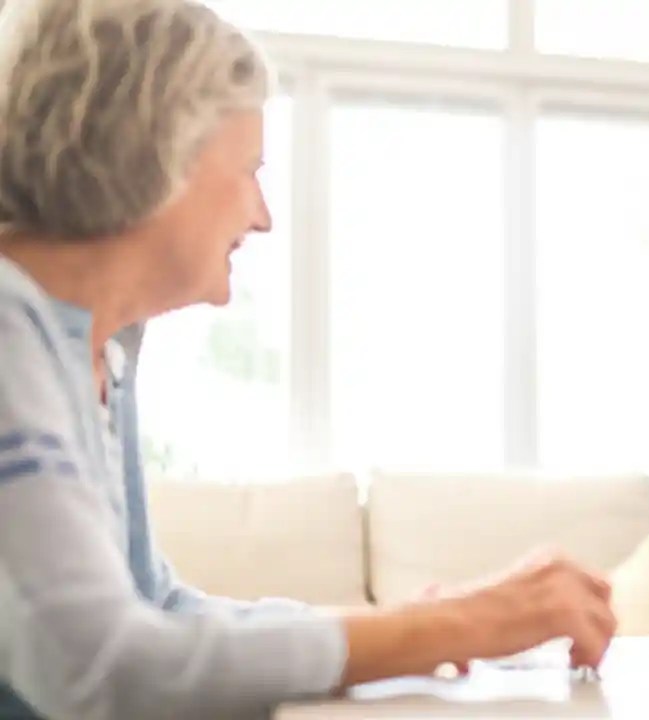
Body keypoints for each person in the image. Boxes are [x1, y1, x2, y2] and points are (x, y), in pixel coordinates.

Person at [0, 1, 614, 718]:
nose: (262, 215)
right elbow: (104, 669)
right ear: (152, 152)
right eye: (248, 170)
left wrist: (403, 629)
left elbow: (155, 605)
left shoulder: (99, 349)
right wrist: (451, 625)